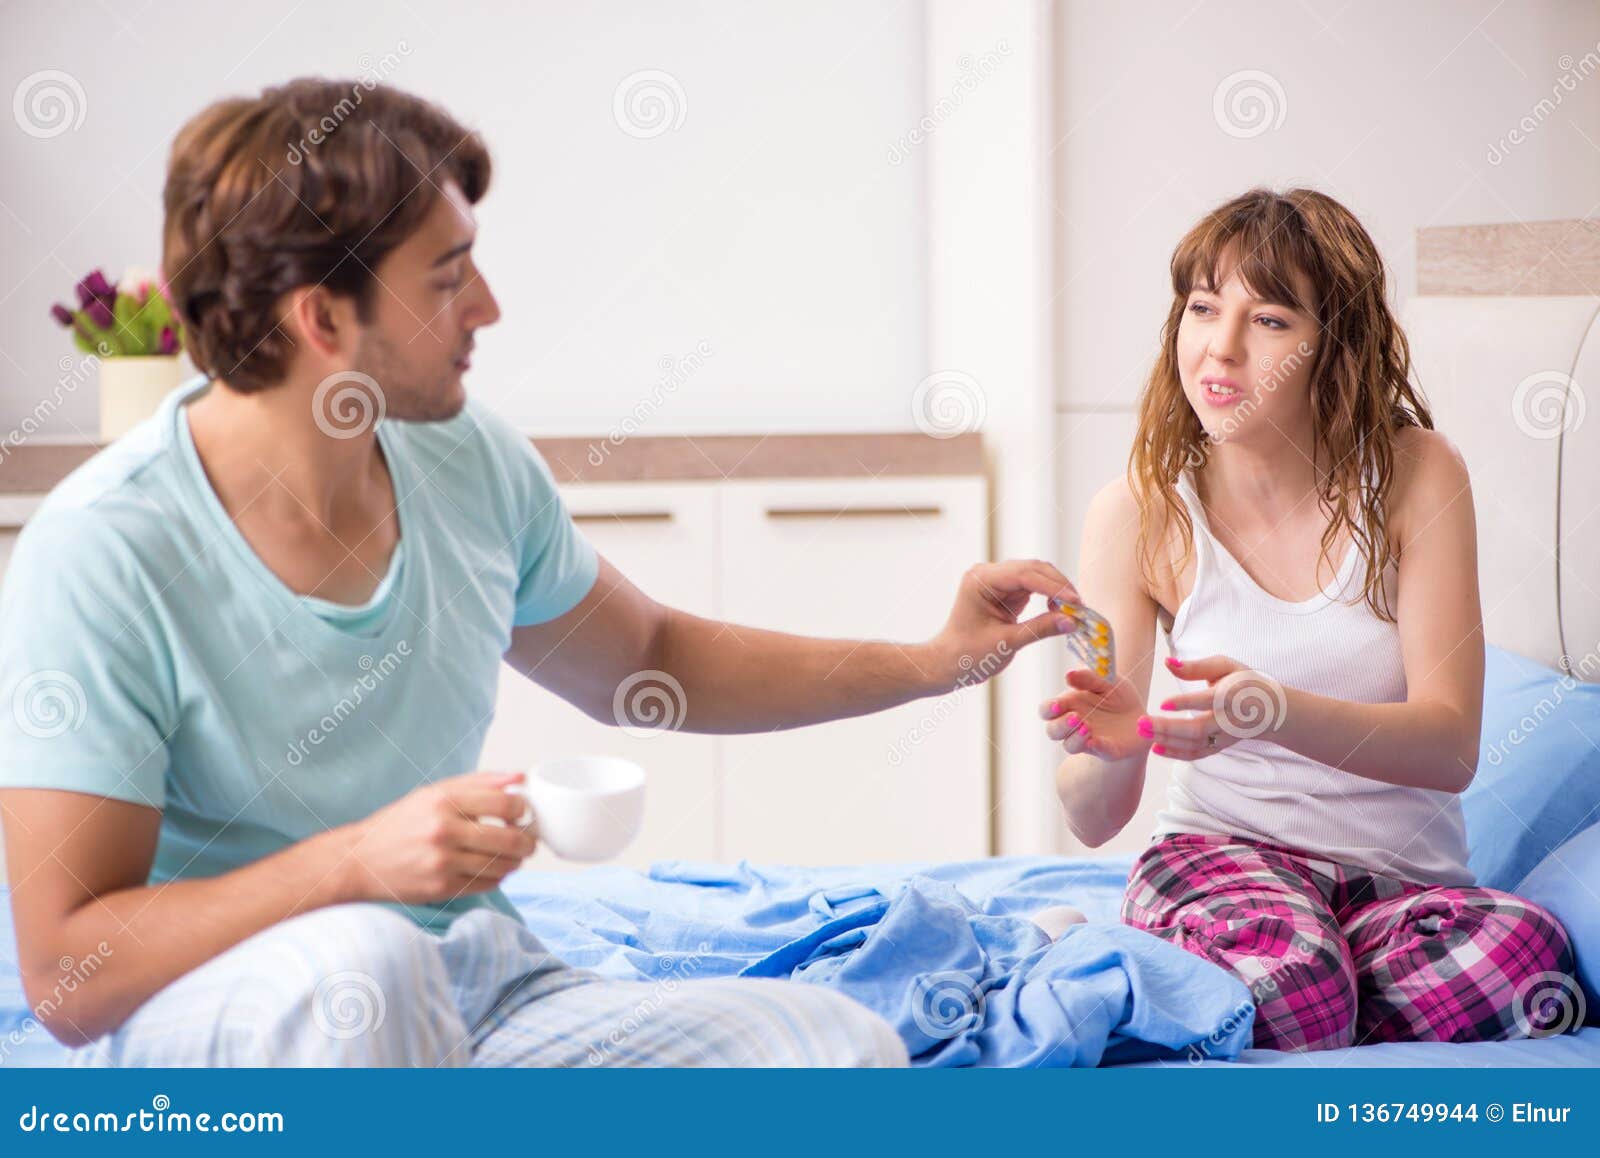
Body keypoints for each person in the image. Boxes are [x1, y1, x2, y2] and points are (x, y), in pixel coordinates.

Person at [0, 78, 1081, 1067]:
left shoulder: (464, 461)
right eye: (448, 275)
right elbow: (67, 978)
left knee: (835, 1051)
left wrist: (933, 664)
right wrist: (352, 865)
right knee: (364, 981)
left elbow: (653, 660)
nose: (488, 308)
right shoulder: (104, 552)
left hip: (473, 982)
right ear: (323, 319)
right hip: (241, 1013)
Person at [1042, 187, 1575, 1051]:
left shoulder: (1417, 474)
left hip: (1397, 889)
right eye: (1203, 307)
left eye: (1271, 320)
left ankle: (1209, 983)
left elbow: (1449, 748)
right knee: (1296, 981)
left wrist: (1271, 708)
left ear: (1338, 348)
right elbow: (1095, 818)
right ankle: (1182, 964)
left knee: (1526, 961)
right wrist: (1114, 747)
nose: (1219, 348)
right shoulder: (1138, 513)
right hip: (1224, 858)